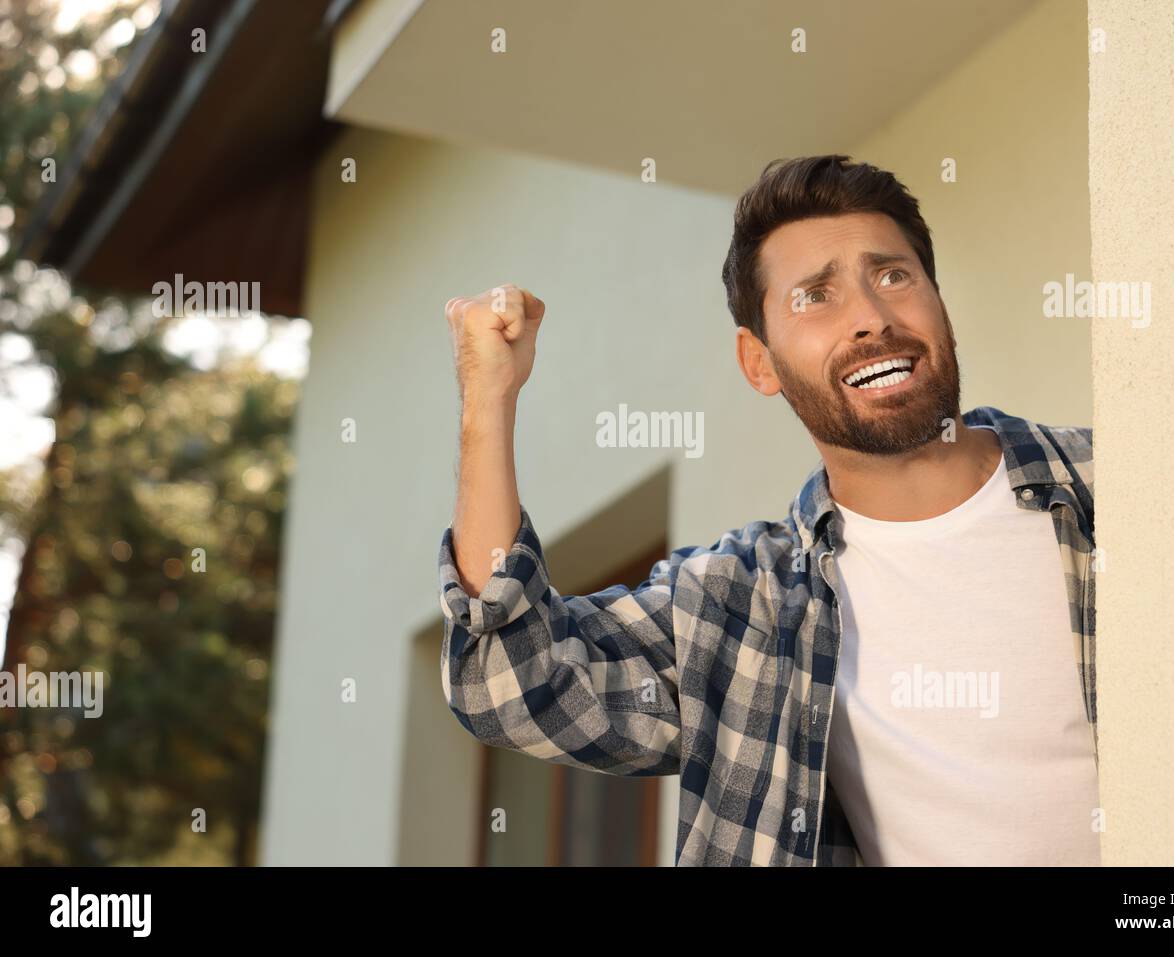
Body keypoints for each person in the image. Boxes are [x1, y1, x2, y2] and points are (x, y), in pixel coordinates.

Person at [438, 154, 1098, 866]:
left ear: (940, 305)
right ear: (760, 363)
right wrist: (489, 399)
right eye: (816, 296)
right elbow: (511, 683)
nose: (872, 319)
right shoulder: (746, 603)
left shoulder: (1109, 483)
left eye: (894, 276)